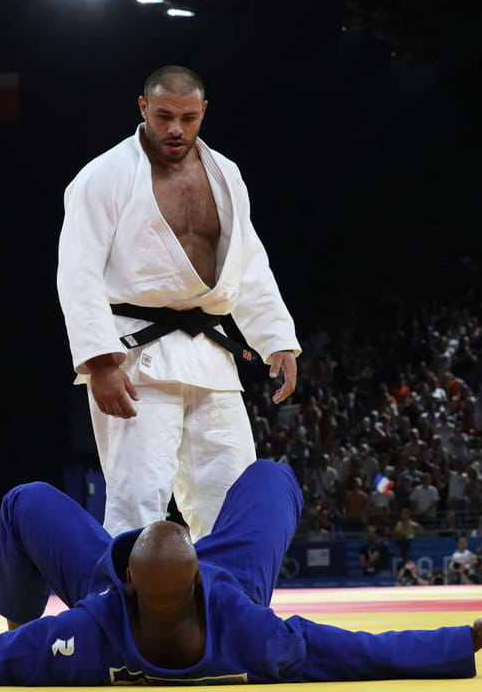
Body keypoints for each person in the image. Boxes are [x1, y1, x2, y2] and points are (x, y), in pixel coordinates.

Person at [0, 460, 482, 686]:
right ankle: (32, 613)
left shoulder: (87, 628)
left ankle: (27, 615)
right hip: (217, 578)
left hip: (150, 581)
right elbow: (360, 651)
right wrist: (467, 639)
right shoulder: (250, 631)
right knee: (275, 475)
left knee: (24, 498)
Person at [55, 65, 300, 541]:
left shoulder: (225, 174)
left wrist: (277, 340)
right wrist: (101, 363)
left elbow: (247, 263)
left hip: (210, 354)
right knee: (137, 501)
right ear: (143, 107)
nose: (175, 129)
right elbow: (77, 272)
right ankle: (128, 612)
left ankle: (234, 608)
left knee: (231, 500)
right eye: (164, 115)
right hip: (135, 358)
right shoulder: (103, 176)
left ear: (203, 112)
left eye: (188, 118)